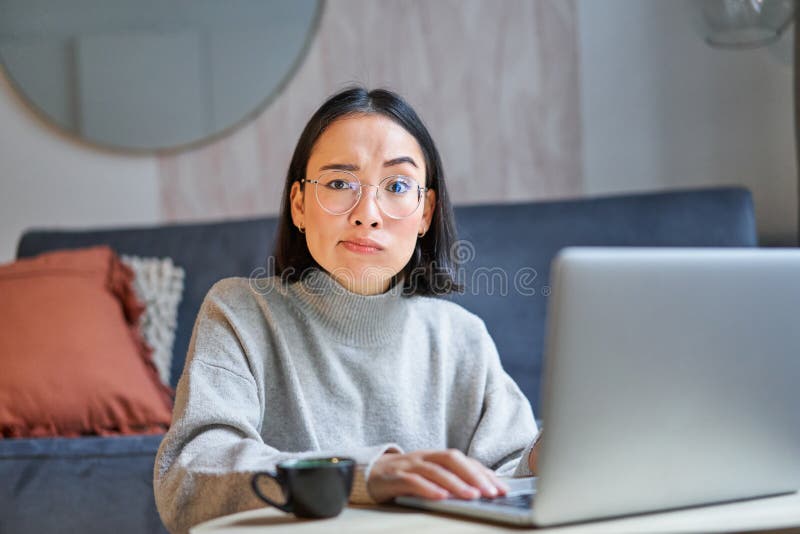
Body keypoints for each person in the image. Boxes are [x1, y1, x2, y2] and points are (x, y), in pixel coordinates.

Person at [153, 86, 540, 534]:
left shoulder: (461, 335)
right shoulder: (240, 312)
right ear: (299, 205)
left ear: (426, 212)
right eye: (339, 183)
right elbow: (190, 474)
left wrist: (555, 452)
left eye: (397, 186)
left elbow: (508, 472)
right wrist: (360, 474)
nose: (368, 213)